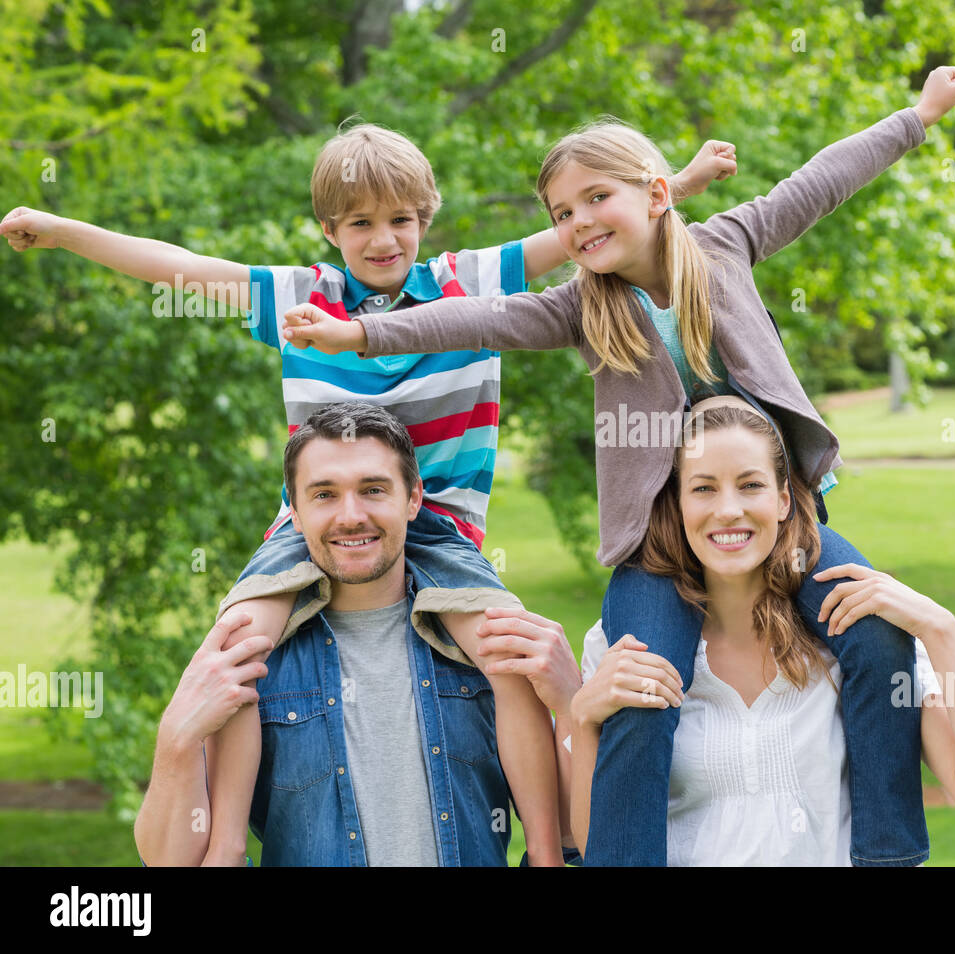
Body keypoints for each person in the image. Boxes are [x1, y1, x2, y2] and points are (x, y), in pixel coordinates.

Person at [276, 65, 955, 865]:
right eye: (561, 213)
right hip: (658, 546)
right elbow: (476, 316)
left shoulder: (728, 244)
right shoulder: (581, 307)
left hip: (778, 522)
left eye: (593, 200)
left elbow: (820, 181)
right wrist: (358, 336)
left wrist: (917, 116)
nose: (577, 222)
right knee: (642, 688)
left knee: (876, 634)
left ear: (655, 192)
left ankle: (888, 852)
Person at [0, 124, 735, 866]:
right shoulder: (297, 298)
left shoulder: (471, 281)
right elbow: (181, 269)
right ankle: (223, 846)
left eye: (401, 221)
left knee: (508, 659)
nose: (384, 240)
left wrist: (682, 180)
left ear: (425, 220)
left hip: (441, 532)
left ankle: (546, 849)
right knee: (238, 649)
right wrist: (63, 231)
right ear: (330, 229)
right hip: (310, 526)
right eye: (360, 223)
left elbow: (592, 228)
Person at [567, 397, 955, 864]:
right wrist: (584, 721)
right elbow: (597, 846)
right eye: (704, 489)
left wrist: (941, 630)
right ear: (678, 503)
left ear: (783, 499)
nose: (728, 510)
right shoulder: (620, 646)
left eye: (750, 486)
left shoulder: (855, 638)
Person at [133, 402, 584, 866]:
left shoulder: (483, 644)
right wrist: (175, 738)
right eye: (324, 495)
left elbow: (572, 836)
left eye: (372, 490)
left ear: (412, 500)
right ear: (295, 511)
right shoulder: (252, 660)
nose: (351, 516)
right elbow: (173, 861)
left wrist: (572, 708)